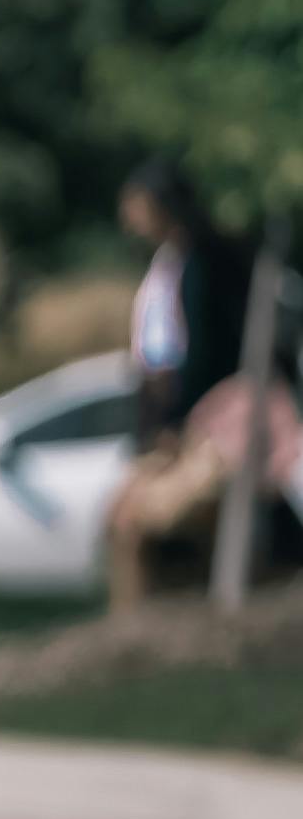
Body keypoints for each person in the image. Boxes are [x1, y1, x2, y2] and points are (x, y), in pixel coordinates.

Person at [103, 160, 261, 609]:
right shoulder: (167, 262)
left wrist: (177, 419)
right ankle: (133, 626)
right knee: (122, 520)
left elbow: (201, 352)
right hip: (167, 417)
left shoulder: (203, 263)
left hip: (204, 419)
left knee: (146, 519)